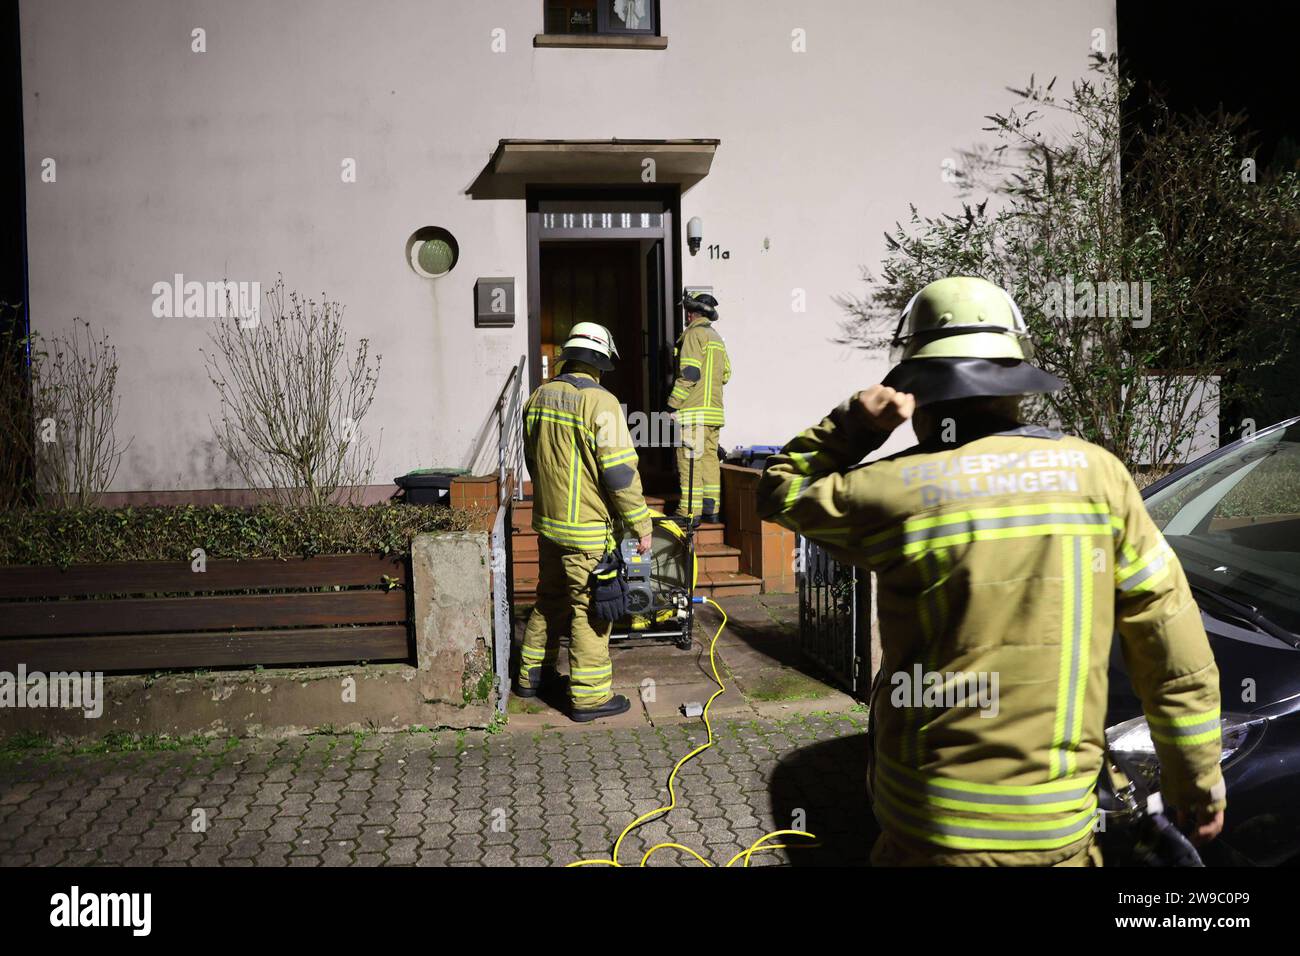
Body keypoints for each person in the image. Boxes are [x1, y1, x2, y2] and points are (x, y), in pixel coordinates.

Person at [756, 276, 1225, 865]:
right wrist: (1196, 780)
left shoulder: (887, 491)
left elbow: (779, 490)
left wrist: (858, 422)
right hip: (1056, 825)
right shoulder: (1098, 476)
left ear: (917, 390)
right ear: (1015, 384)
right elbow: (1170, 641)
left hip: (926, 827)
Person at [516, 322, 653, 722]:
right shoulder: (601, 403)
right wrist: (641, 523)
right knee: (589, 610)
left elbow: (533, 460)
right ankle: (589, 697)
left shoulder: (538, 397)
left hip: (549, 525)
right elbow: (620, 473)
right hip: (587, 532)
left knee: (549, 600)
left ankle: (531, 676)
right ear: (600, 363)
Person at [668, 291, 730, 525]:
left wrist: (672, 404)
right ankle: (711, 510)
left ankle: (689, 512)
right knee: (710, 460)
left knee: (690, 460)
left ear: (691, 314)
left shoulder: (693, 335)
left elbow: (690, 374)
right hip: (714, 413)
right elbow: (726, 374)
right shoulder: (716, 338)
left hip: (694, 413)